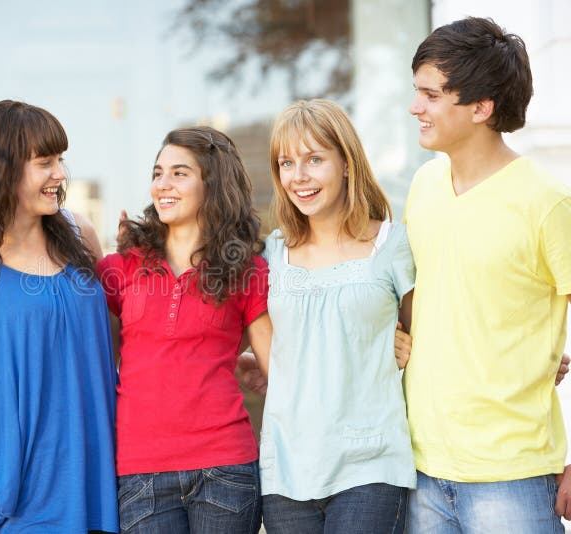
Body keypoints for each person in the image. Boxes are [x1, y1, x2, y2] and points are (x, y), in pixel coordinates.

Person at [403, 17, 571, 532]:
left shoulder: (547, 203)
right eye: (417, 92)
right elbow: (434, 302)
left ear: (481, 107)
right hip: (422, 472)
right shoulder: (424, 186)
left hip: (513, 478)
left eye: (431, 95)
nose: (416, 108)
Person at [0, 100, 119, 533]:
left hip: (106, 463)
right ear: (3, 169)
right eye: (45, 162)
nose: (60, 174)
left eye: (60, 160)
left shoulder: (80, 232)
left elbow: (114, 334)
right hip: (31, 485)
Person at [96, 126, 272, 533]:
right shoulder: (120, 268)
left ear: (212, 183)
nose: (163, 184)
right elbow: (78, 352)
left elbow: (279, 373)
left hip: (225, 469)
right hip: (140, 474)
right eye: (158, 173)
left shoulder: (247, 270)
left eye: (179, 173)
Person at [256, 99, 415, 534]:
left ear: (346, 164)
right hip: (286, 469)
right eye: (287, 162)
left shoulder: (392, 244)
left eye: (314, 159)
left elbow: (435, 331)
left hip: (371, 464)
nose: (298, 176)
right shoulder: (271, 255)